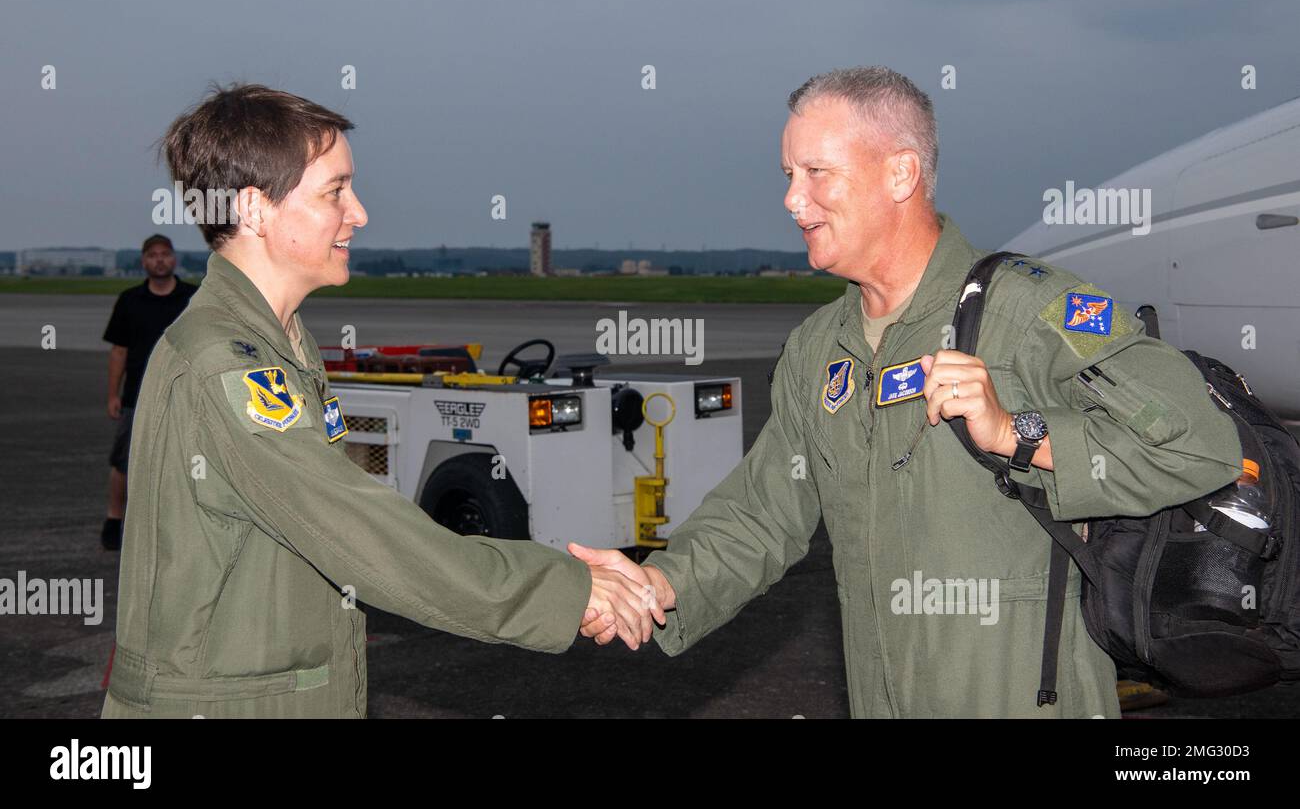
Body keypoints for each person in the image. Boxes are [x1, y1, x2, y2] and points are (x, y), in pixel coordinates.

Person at [571, 66, 1243, 718]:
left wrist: (1018, 433)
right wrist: (660, 584)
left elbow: (1201, 447)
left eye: (816, 173)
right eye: (787, 175)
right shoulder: (818, 348)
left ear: (899, 173)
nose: (791, 200)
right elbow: (760, 513)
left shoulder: (1029, 311)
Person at [102, 84, 660, 718]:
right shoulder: (226, 366)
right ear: (255, 209)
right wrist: (566, 590)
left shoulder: (282, 342)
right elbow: (356, 530)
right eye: (334, 191)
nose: (359, 212)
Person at [101, 234, 197, 550]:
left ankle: (182, 523)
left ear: (174, 259)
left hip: (184, 395)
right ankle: (115, 519)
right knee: (124, 461)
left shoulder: (192, 299)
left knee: (186, 461)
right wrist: (113, 394)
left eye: (165, 254)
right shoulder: (129, 300)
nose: (159, 260)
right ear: (144, 261)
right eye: (153, 255)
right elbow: (119, 351)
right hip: (137, 397)